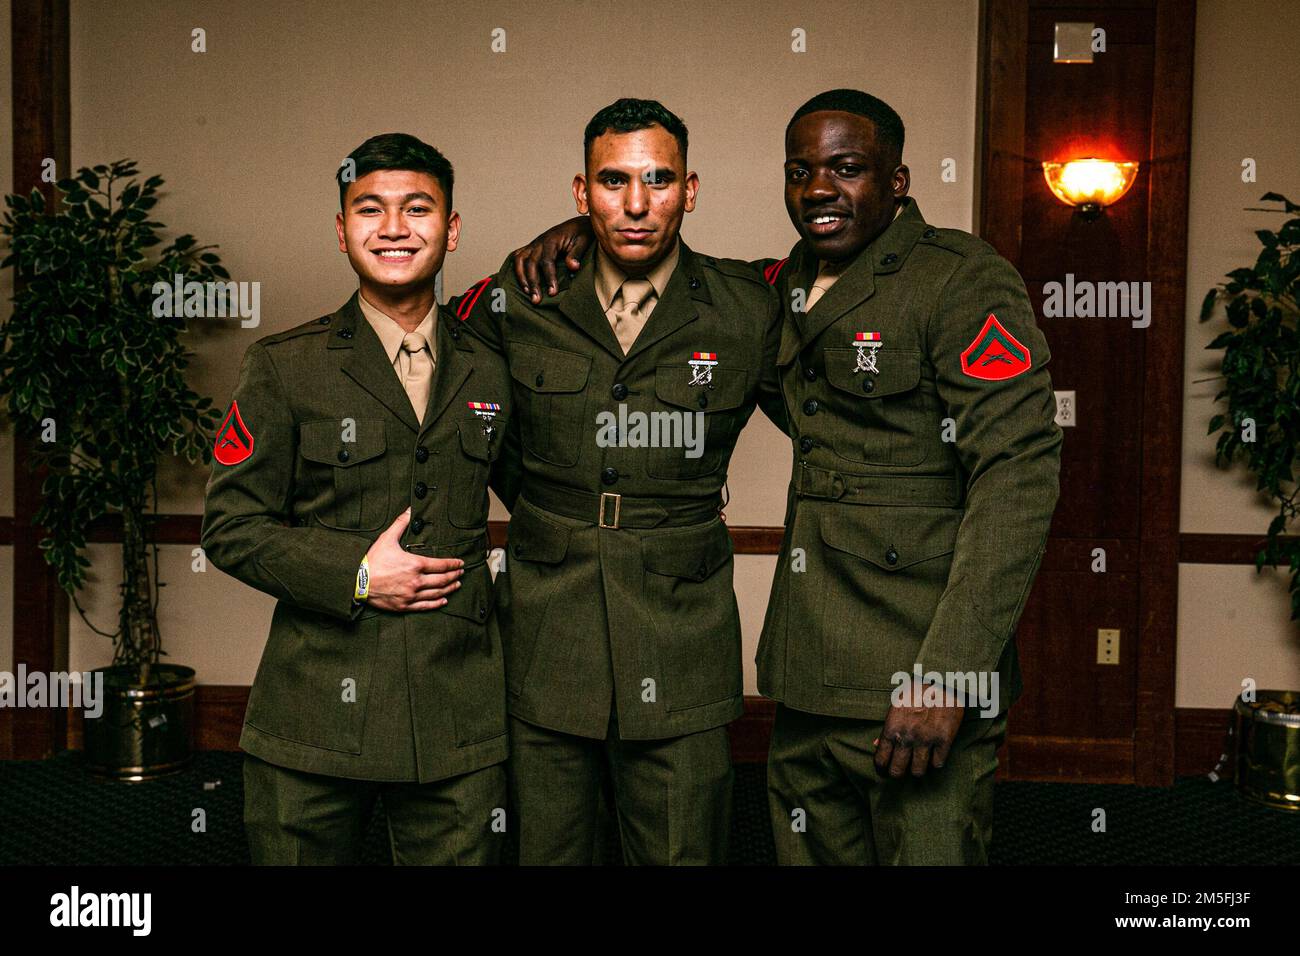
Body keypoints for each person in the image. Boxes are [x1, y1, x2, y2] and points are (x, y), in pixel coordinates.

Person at [512, 89, 1062, 865]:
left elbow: (1019, 478)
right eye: (800, 170)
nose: (818, 190)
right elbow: (686, 281)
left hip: (917, 667)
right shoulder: (784, 287)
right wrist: (595, 236)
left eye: (847, 168)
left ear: (898, 180)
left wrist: (950, 676)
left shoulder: (960, 281)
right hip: (808, 672)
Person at [451, 98, 785, 865]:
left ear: (691, 190)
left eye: (658, 180)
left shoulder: (747, 307)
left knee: (680, 850)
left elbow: (842, 283)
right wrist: (538, 503)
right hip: (547, 620)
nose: (636, 204)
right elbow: (437, 379)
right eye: (613, 182)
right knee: (549, 851)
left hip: (680, 627)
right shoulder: (524, 293)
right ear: (581, 193)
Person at [202, 133, 513, 865]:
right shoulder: (286, 367)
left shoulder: (495, 370)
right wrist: (360, 574)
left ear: (453, 228)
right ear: (342, 231)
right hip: (313, 708)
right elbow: (230, 527)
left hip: (456, 710)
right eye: (370, 210)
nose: (395, 228)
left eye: (418, 208)